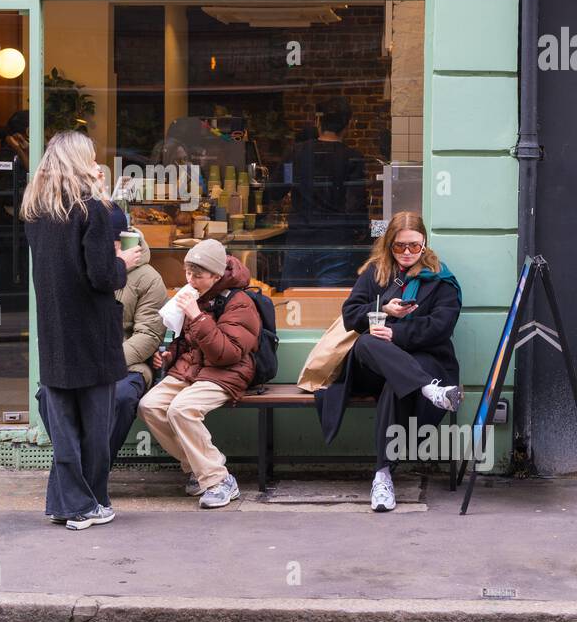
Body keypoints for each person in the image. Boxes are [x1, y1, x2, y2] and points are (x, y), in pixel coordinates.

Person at [23, 131, 143, 531]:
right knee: (96, 427)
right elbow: (102, 276)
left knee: (64, 427)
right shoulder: (92, 210)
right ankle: (86, 505)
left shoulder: (36, 212)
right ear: (78, 163)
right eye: (91, 159)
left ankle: (69, 503)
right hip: (91, 333)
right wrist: (126, 259)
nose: (97, 165)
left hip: (55, 332)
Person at [316, 212, 464, 514]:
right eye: (399, 247)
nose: (407, 252)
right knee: (368, 341)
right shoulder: (376, 273)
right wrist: (383, 309)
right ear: (388, 245)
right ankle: (429, 390)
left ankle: (382, 476)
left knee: (395, 388)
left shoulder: (442, 280)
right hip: (372, 364)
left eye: (414, 246)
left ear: (424, 244)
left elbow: (440, 328)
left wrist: (396, 333)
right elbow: (350, 316)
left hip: (425, 360)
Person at [138, 239, 261, 510]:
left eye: (198, 275)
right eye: (187, 273)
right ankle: (200, 466)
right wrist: (169, 355)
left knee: (181, 409)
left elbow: (227, 354)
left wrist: (197, 316)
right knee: (150, 405)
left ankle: (218, 479)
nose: (190, 279)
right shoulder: (196, 294)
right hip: (191, 368)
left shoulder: (239, 302)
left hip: (227, 372)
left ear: (216, 276)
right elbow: (187, 340)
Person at [278, 102, 369, 288]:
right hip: (335, 240)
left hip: (299, 238)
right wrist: (361, 231)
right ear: (348, 125)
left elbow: (277, 188)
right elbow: (355, 203)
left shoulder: (295, 153)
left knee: (292, 301)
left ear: (318, 121)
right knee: (329, 302)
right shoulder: (352, 157)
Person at [107, 205, 168, 467]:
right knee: (47, 397)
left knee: (120, 397)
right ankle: (77, 465)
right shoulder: (87, 267)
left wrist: (109, 363)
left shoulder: (148, 278)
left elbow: (148, 335)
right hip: (87, 361)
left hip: (128, 364)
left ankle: (97, 467)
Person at [0, 111, 29, 315]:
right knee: (10, 278)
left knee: (17, 279)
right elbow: (7, 196)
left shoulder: (19, 154)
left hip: (13, 229)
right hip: (8, 230)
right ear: (25, 132)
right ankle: (9, 330)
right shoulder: (7, 157)